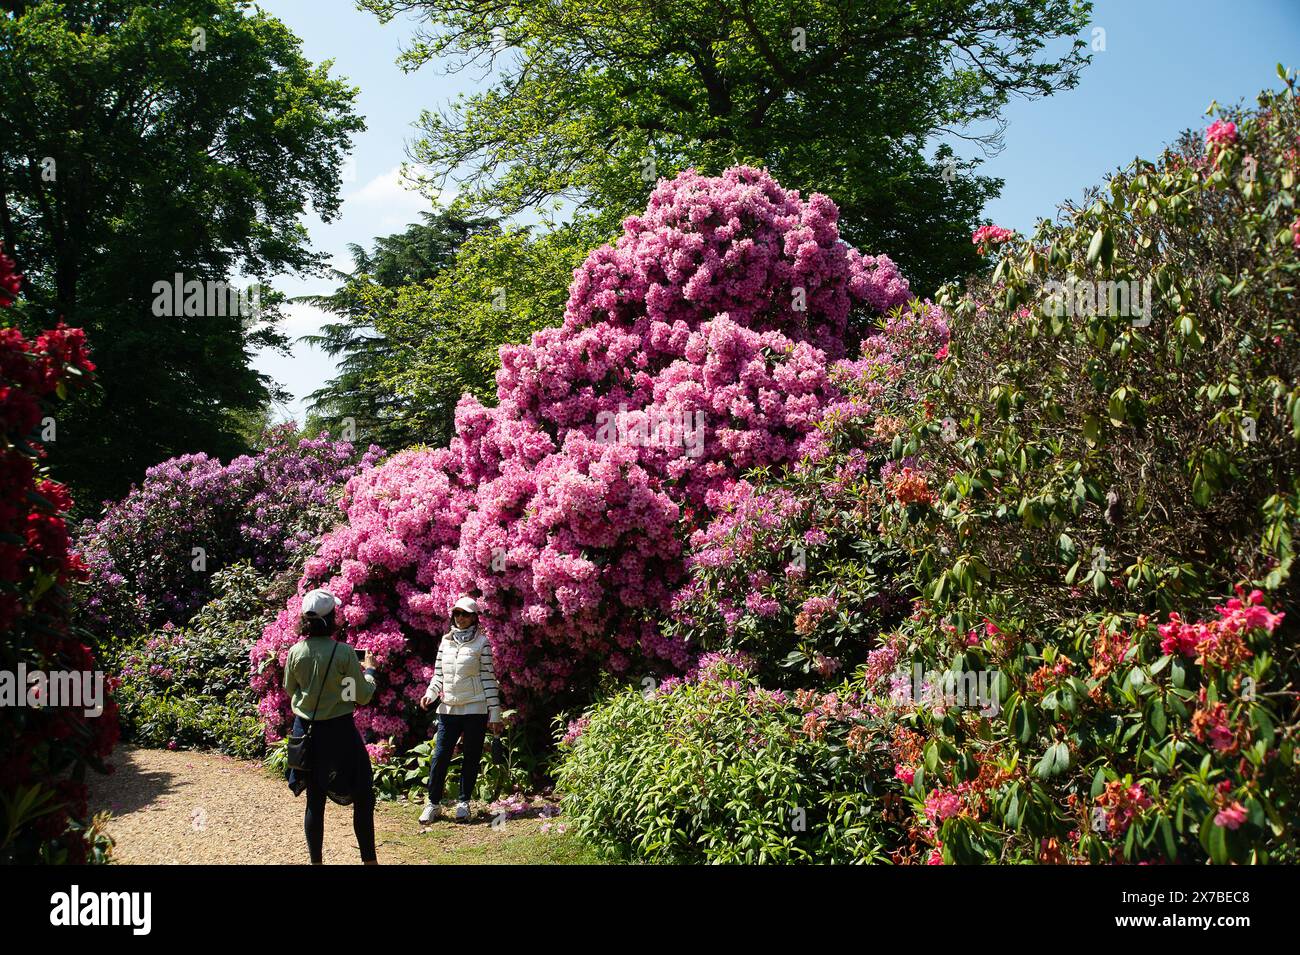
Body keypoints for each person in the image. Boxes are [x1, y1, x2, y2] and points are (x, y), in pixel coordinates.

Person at [284, 587, 380, 864]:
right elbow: (360, 695)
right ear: (331, 617)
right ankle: (369, 861)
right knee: (363, 794)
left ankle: (316, 862)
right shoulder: (344, 653)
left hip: (307, 732)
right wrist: (370, 671)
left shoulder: (295, 652)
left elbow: (291, 690)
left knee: (315, 799)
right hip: (340, 733)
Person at [418, 596, 503, 824]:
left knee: (471, 757)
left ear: (474, 617)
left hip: (475, 708)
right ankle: (432, 804)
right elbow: (438, 675)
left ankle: (463, 803)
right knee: (440, 757)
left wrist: (495, 713)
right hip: (448, 709)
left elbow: (488, 678)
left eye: (465, 614)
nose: (460, 618)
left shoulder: (482, 643)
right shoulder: (445, 642)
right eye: (457, 613)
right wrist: (430, 694)